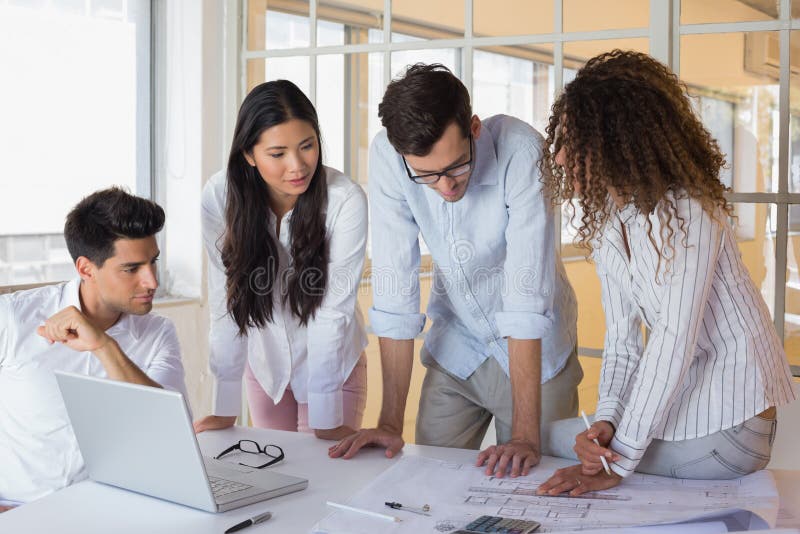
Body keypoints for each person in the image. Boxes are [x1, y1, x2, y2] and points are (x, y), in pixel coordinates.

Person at [536, 50, 797, 497]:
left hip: (732, 431)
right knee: (559, 440)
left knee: (542, 442)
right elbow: (622, 344)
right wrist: (606, 423)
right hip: (689, 409)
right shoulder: (612, 222)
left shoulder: (691, 209)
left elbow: (674, 342)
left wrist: (617, 459)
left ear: (615, 144)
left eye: (572, 144)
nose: (558, 158)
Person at [330, 63, 580, 479]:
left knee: (534, 492)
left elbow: (525, 297)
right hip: (457, 345)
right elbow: (396, 290)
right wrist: (390, 422)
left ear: (475, 128)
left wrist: (524, 434)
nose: (445, 187)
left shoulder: (521, 152)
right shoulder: (389, 157)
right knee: (426, 485)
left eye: (456, 167)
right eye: (426, 175)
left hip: (535, 350)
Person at [193, 80, 368, 442]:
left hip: (331, 366)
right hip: (265, 366)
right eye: (278, 153)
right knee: (276, 476)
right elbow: (226, 300)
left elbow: (332, 313)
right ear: (248, 153)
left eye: (308, 146)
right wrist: (224, 407)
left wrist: (325, 414)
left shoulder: (344, 201)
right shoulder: (218, 196)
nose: (298, 165)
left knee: (325, 476)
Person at [0, 188, 187, 510]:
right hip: (17, 511)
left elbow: (168, 435)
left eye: (153, 262)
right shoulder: (13, 318)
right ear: (86, 269)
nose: (152, 281)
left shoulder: (158, 333)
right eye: (132, 269)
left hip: (109, 511)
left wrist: (104, 346)